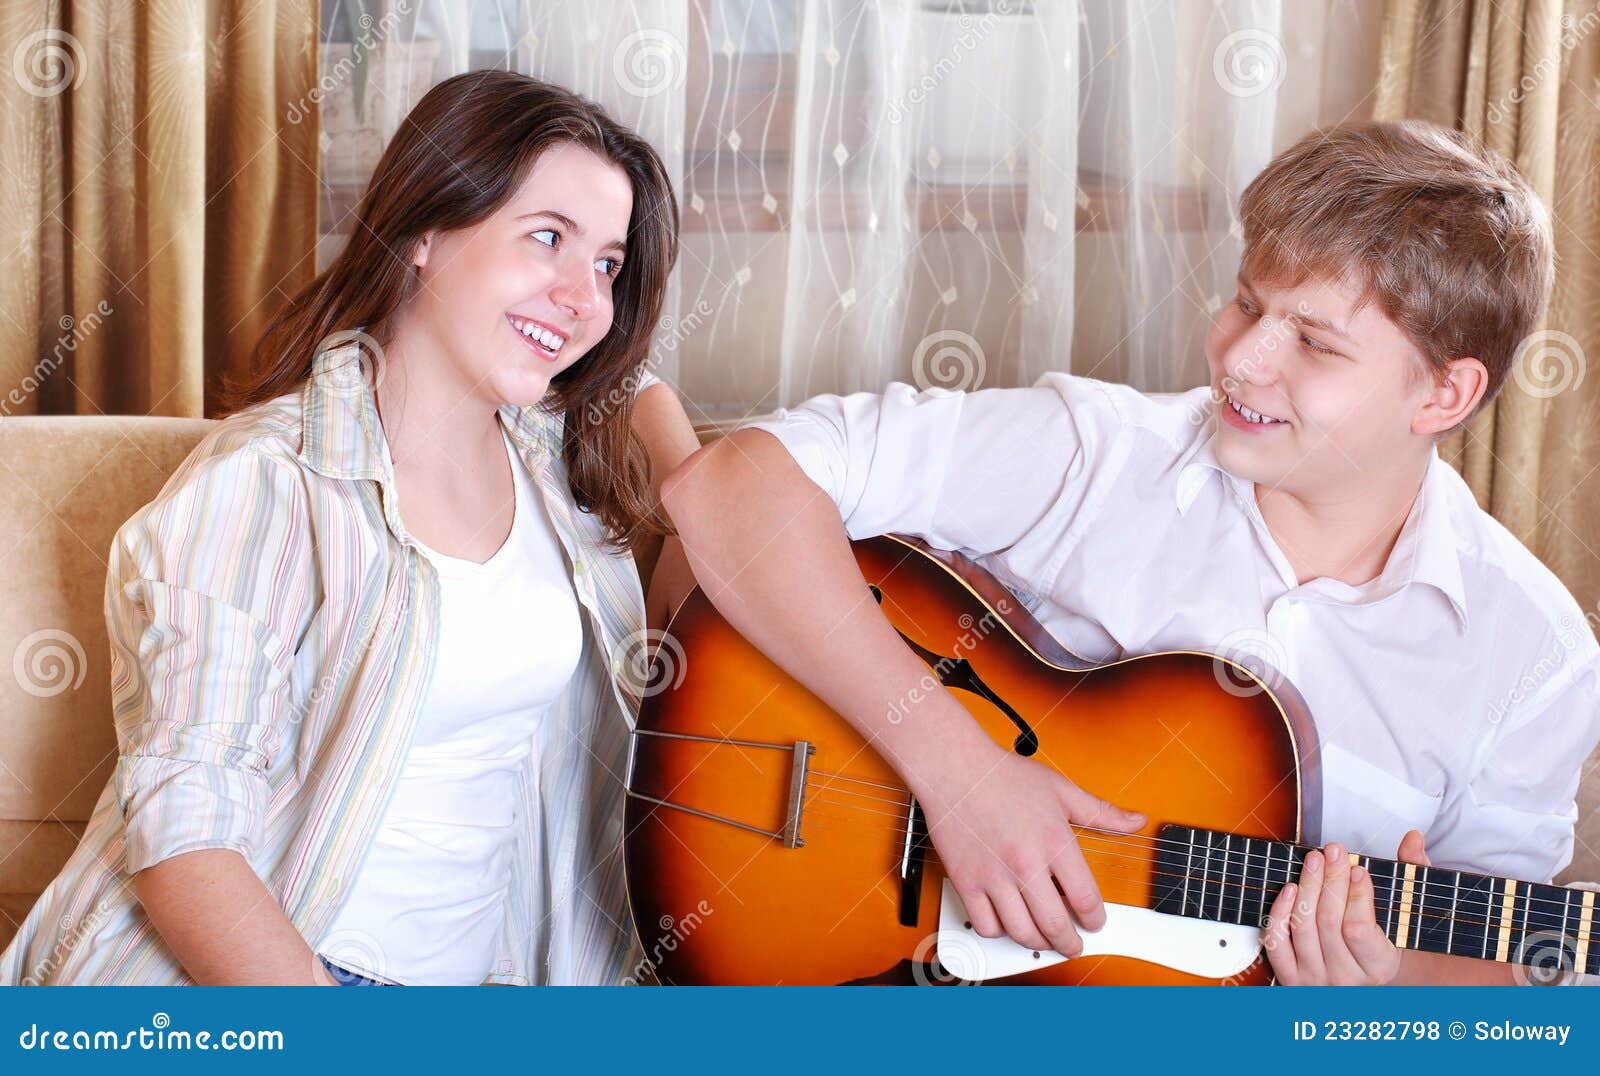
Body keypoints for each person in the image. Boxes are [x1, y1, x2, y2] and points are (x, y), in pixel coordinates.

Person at [662, 119, 1600, 985]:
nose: (1241, 359)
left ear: (1444, 395)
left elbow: (1509, 978)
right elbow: (724, 487)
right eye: (1246, 302)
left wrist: (1383, 988)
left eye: (1313, 342)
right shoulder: (1094, 453)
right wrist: (959, 773)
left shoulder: (1537, 657)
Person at [0, 70, 700, 986]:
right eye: (546, 238)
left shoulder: (554, 464)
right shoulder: (267, 481)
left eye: (607, 264)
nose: (585, 297)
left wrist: (665, 431)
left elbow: (689, 501)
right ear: (423, 232)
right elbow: (184, 841)